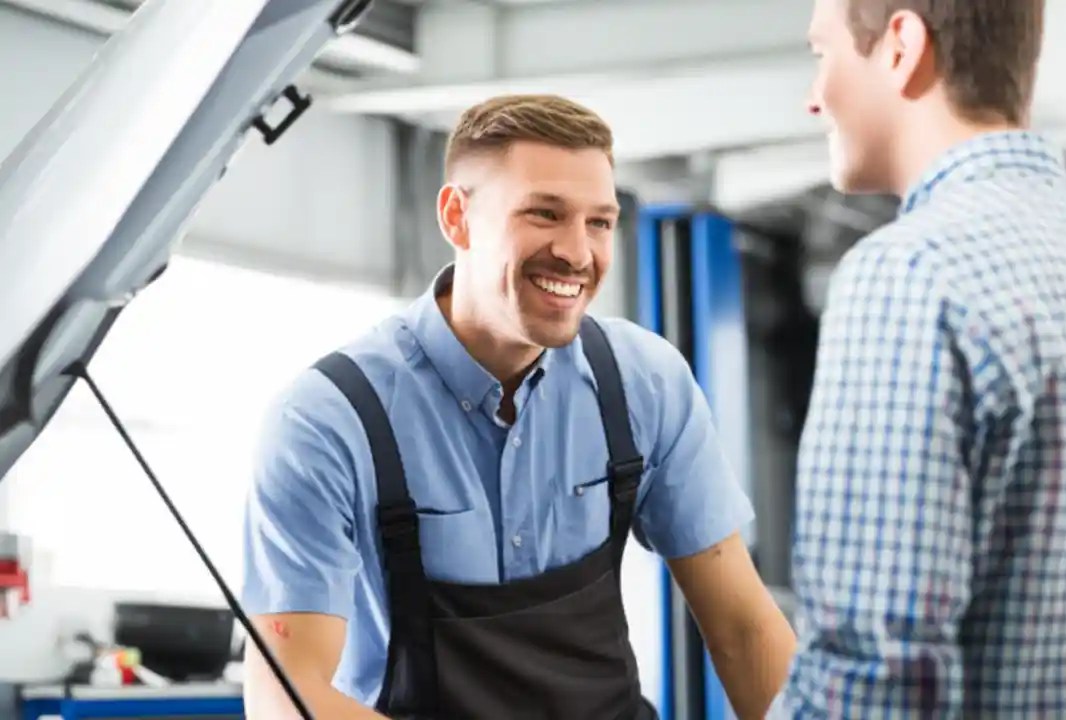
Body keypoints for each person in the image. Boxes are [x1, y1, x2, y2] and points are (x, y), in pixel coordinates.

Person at [240, 94, 796, 720]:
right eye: (544, 214)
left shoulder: (644, 382)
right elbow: (287, 699)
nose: (577, 253)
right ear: (457, 217)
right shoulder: (327, 422)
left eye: (599, 222)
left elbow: (744, 629)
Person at [770, 0, 1066, 717]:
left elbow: (876, 673)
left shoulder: (908, 276)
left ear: (901, 46)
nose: (814, 97)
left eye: (822, 54)